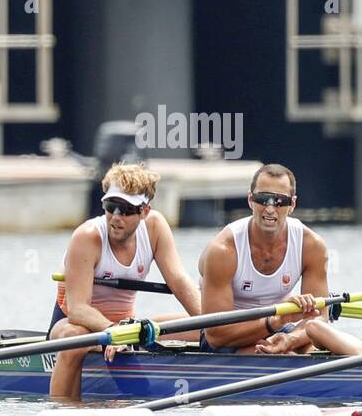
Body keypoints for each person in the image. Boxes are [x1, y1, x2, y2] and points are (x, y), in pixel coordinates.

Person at [47, 163, 202, 400]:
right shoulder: (87, 236)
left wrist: (212, 326)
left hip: (125, 326)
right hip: (75, 324)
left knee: (201, 325)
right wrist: (116, 332)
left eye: (127, 210)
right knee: (73, 339)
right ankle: (64, 410)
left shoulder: (155, 227)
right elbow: (78, 309)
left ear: (144, 211)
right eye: (111, 207)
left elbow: (179, 280)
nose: (116, 217)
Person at [196, 163, 329, 353]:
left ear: (292, 205)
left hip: (278, 325)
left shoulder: (312, 246)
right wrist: (277, 321)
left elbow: (318, 318)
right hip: (231, 331)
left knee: (309, 342)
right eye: (262, 199)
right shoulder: (223, 250)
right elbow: (216, 336)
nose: (269, 209)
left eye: (279, 201)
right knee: (279, 354)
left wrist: (290, 339)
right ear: (250, 200)